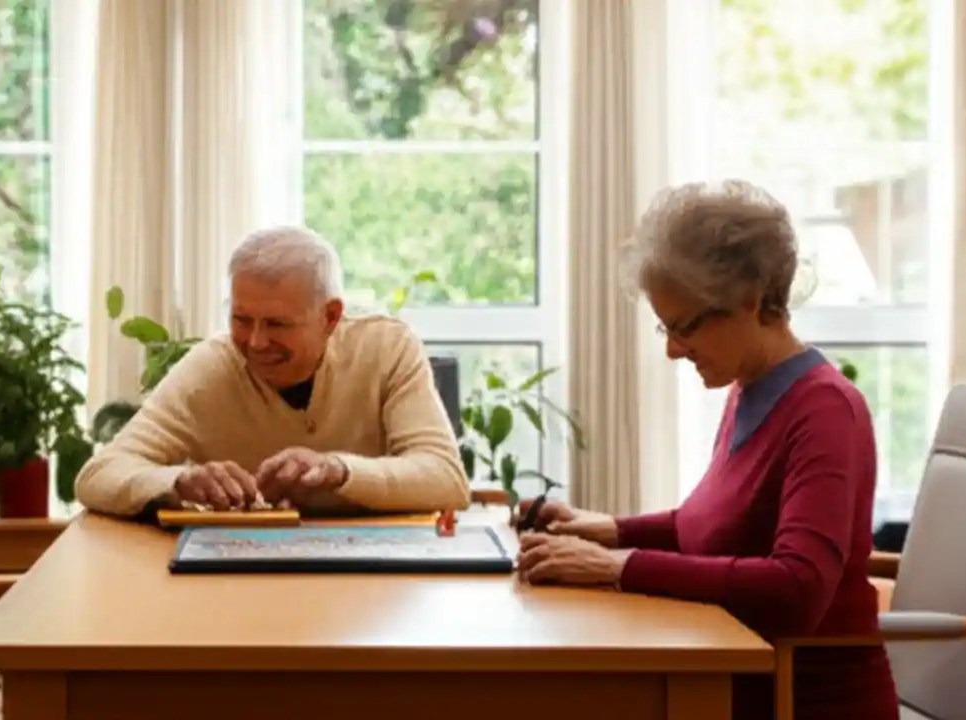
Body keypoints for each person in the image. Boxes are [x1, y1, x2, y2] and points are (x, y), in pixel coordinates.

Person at [516, 180, 897, 720]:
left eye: (684, 327)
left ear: (749, 299)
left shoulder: (827, 410)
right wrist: (605, 529)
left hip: (800, 701)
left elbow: (796, 588)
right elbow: (713, 525)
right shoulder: (751, 388)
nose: (673, 350)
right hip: (733, 680)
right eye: (664, 328)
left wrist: (616, 566)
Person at [76, 226, 470, 517]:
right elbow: (99, 475)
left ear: (330, 317)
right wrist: (175, 482)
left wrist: (337, 470)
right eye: (241, 319)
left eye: (277, 325)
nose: (256, 342)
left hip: (376, 588)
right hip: (241, 584)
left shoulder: (387, 349)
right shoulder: (211, 366)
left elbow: (446, 479)